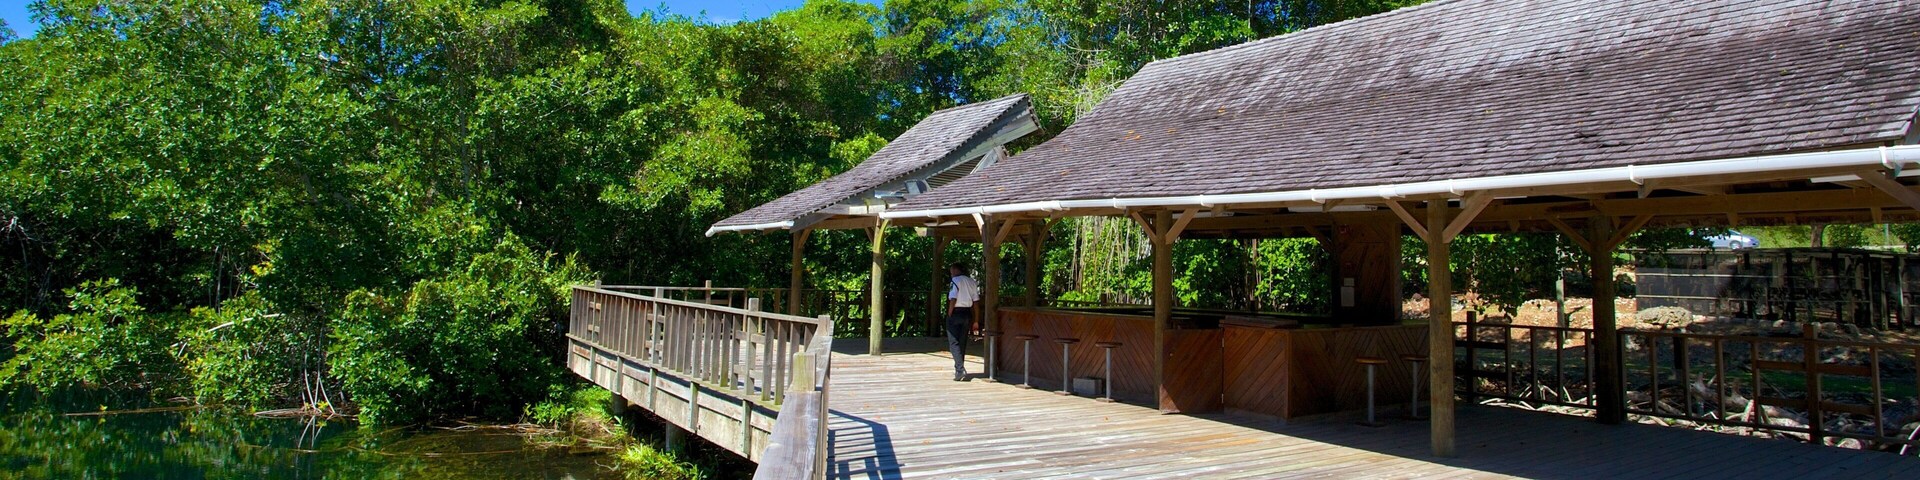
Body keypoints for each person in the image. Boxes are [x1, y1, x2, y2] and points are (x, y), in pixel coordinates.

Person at [945, 262, 981, 381]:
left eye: (951, 271)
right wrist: (976, 320)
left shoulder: (955, 281)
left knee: (953, 342)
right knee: (962, 342)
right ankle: (959, 369)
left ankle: (960, 369)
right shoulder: (972, 282)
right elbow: (976, 302)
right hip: (967, 313)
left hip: (956, 312)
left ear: (956, 270)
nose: (951, 274)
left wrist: (950, 314)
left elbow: (953, 298)